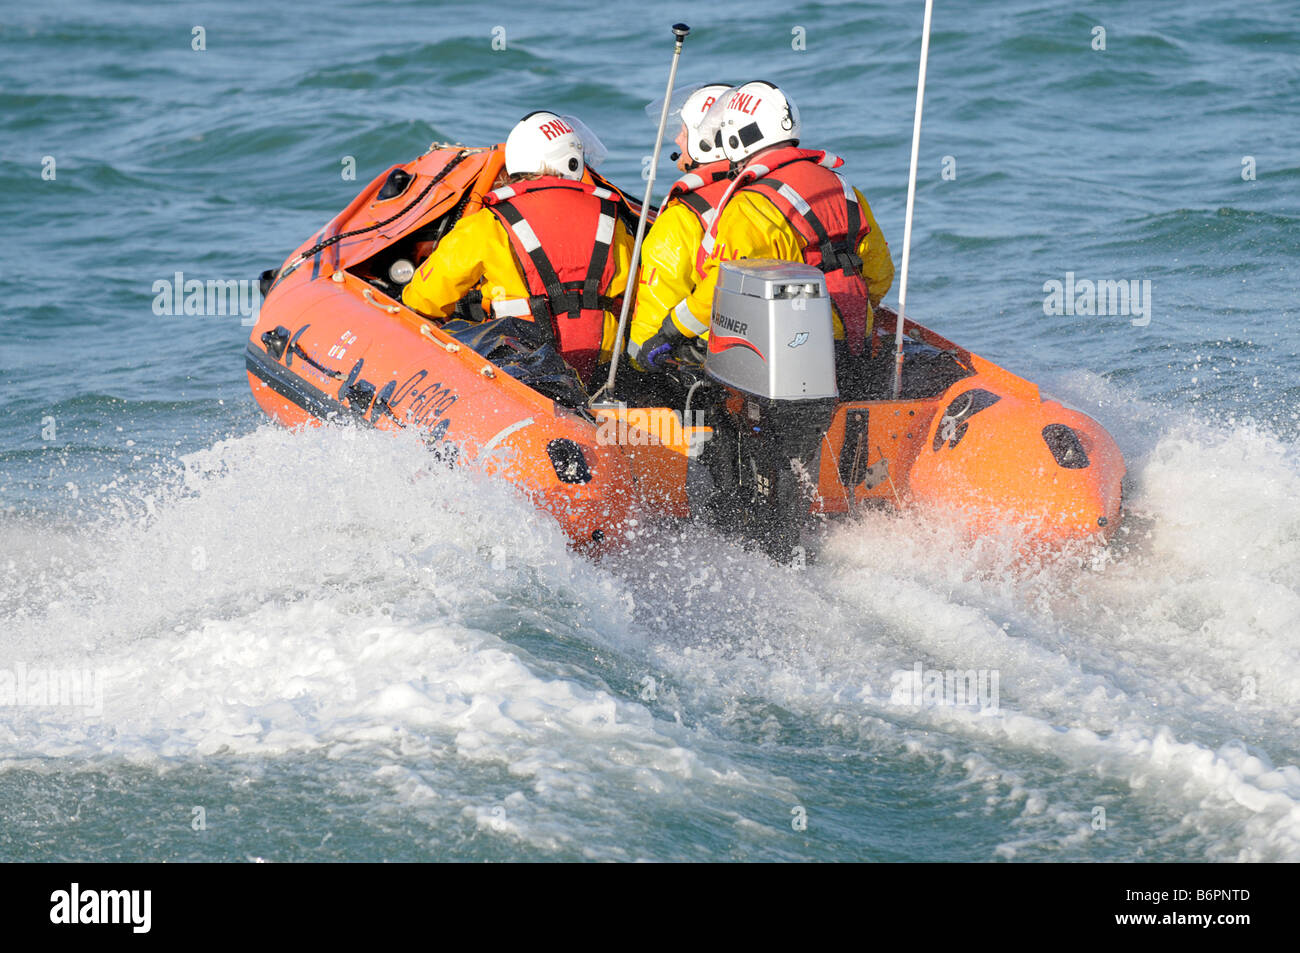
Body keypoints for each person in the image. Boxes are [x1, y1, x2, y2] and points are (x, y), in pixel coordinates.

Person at [635, 81, 894, 373]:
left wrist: (671, 332)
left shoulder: (751, 206)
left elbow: (719, 290)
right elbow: (880, 273)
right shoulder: (844, 188)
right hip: (856, 344)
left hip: (796, 356)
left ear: (733, 138)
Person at [402, 110, 635, 384]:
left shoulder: (489, 223)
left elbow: (422, 300)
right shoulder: (615, 222)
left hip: (522, 376)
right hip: (601, 373)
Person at [626, 83, 734, 371]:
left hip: (699, 370)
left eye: (684, 132)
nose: (676, 139)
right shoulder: (764, 197)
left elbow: (655, 314)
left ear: (705, 142)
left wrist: (636, 366)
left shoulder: (682, 217)